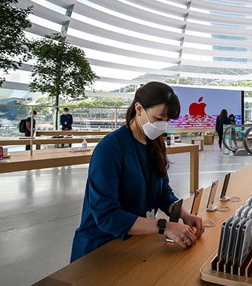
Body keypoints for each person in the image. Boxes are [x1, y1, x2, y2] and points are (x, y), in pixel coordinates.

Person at [70, 81, 204, 262]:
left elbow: (163, 192)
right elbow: (106, 215)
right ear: (139, 109)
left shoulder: (155, 143)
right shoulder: (110, 149)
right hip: (100, 249)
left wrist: (184, 214)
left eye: (167, 121)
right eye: (158, 119)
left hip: (134, 244)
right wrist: (165, 227)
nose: (163, 126)